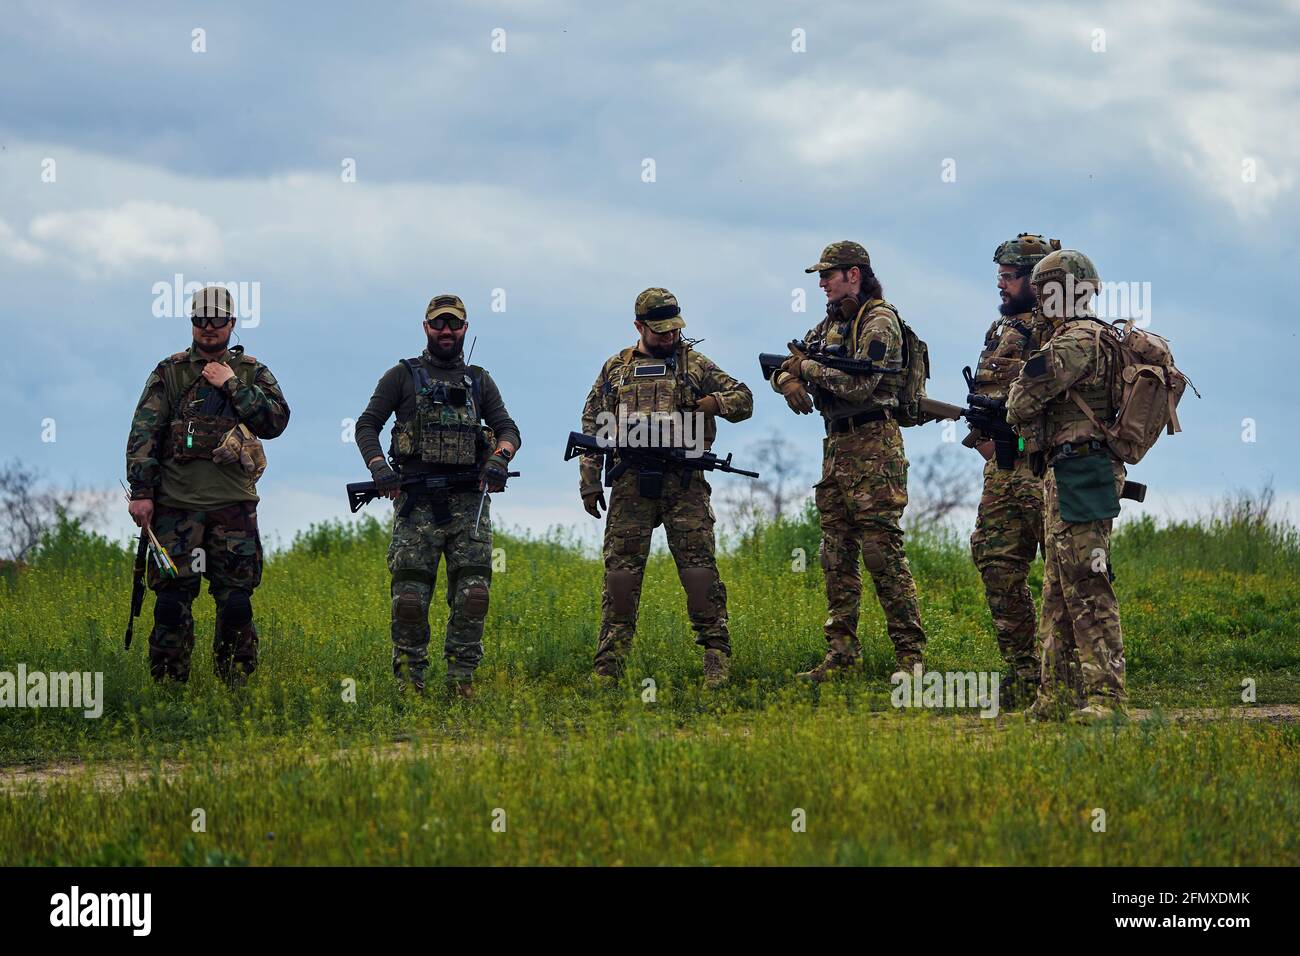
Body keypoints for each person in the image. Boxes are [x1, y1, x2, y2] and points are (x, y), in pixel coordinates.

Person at [578, 287, 752, 688]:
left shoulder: (695, 363)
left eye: (674, 330)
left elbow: (744, 398)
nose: (669, 338)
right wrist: (589, 482)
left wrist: (713, 404)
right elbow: (593, 426)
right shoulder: (616, 370)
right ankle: (609, 667)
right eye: (659, 332)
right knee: (620, 577)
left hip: (684, 485)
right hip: (630, 484)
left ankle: (716, 657)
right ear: (639, 326)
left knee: (698, 573)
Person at [770, 241, 925, 681]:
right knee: (835, 553)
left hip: (875, 445)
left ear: (853, 275)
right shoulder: (832, 324)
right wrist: (787, 380)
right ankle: (841, 655)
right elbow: (786, 364)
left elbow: (859, 387)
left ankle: (910, 658)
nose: (821, 284)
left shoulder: (880, 321)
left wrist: (807, 372)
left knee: (881, 552)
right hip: (837, 448)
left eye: (828, 275)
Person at [354, 294, 520, 698]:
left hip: (470, 504)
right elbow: (366, 425)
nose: (446, 331)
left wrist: (500, 457)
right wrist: (379, 469)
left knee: (474, 595)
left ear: (465, 328)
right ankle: (410, 682)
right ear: (425, 327)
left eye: (454, 324)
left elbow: (508, 429)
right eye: (438, 324)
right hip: (416, 507)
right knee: (409, 598)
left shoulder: (479, 380)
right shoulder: (402, 376)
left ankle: (462, 679)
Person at [125, 285, 289, 685]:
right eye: (201, 319)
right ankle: (168, 688)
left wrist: (231, 384)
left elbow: (276, 423)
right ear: (192, 322)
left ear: (232, 322)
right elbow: (143, 433)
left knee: (235, 602)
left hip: (233, 506)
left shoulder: (253, 372)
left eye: (217, 319)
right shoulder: (171, 371)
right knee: (170, 602)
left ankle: (235, 687)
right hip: (176, 507)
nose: (209, 327)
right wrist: (142, 493)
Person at [1006, 249, 1127, 722]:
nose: (1036, 298)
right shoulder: (1091, 337)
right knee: (1057, 589)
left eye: (1043, 288)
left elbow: (1022, 399)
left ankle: (1108, 698)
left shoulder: (1076, 341)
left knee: (1088, 583)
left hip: (1084, 470)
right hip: (1071, 469)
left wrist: (1019, 406)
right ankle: (1054, 697)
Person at [967, 234, 1055, 707]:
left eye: (1010, 275)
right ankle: (1025, 672)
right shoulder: (1000, 330)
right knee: (995, 561)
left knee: (1068, 572)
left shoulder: (1060, 330)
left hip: (1047, 469)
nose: (1001, 283)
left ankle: (1075, 673)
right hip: (1003, 469)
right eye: (999, 274)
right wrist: (983, 439)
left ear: (1037, 280)